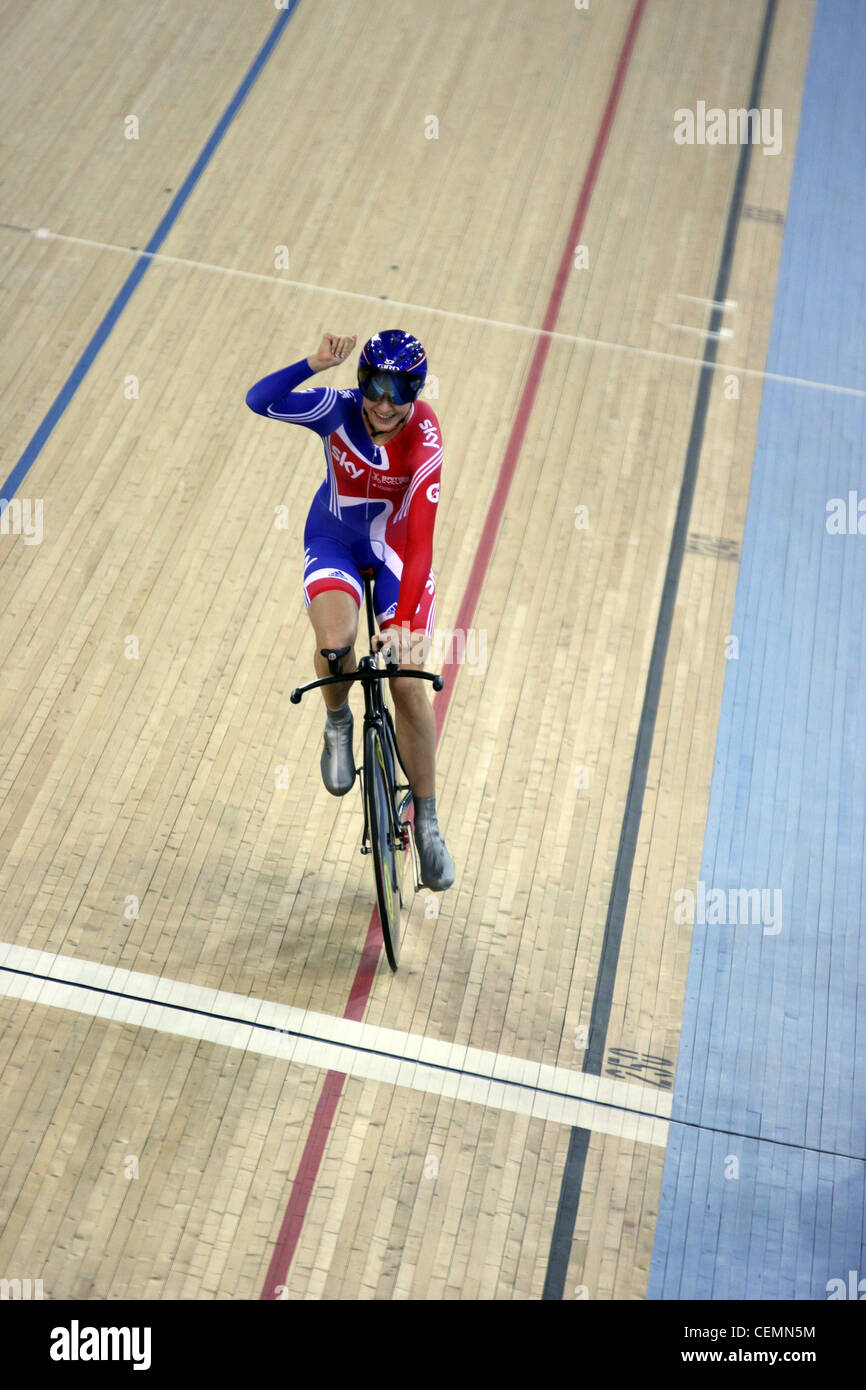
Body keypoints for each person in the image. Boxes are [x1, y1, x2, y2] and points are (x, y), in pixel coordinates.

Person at [245, 329, 455, 891]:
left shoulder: (425, 434)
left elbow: (422, 542)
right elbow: (258, 400)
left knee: (407, 682)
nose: (384, 406)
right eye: (374, 389)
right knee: (336, 648)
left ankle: (429, 823)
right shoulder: (335, 409)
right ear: (360, 383)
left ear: (415, 392)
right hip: (334, 539)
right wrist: (311, 363)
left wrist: (405, 623)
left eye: (400, 392)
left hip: (396, 551)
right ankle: (338, 723)